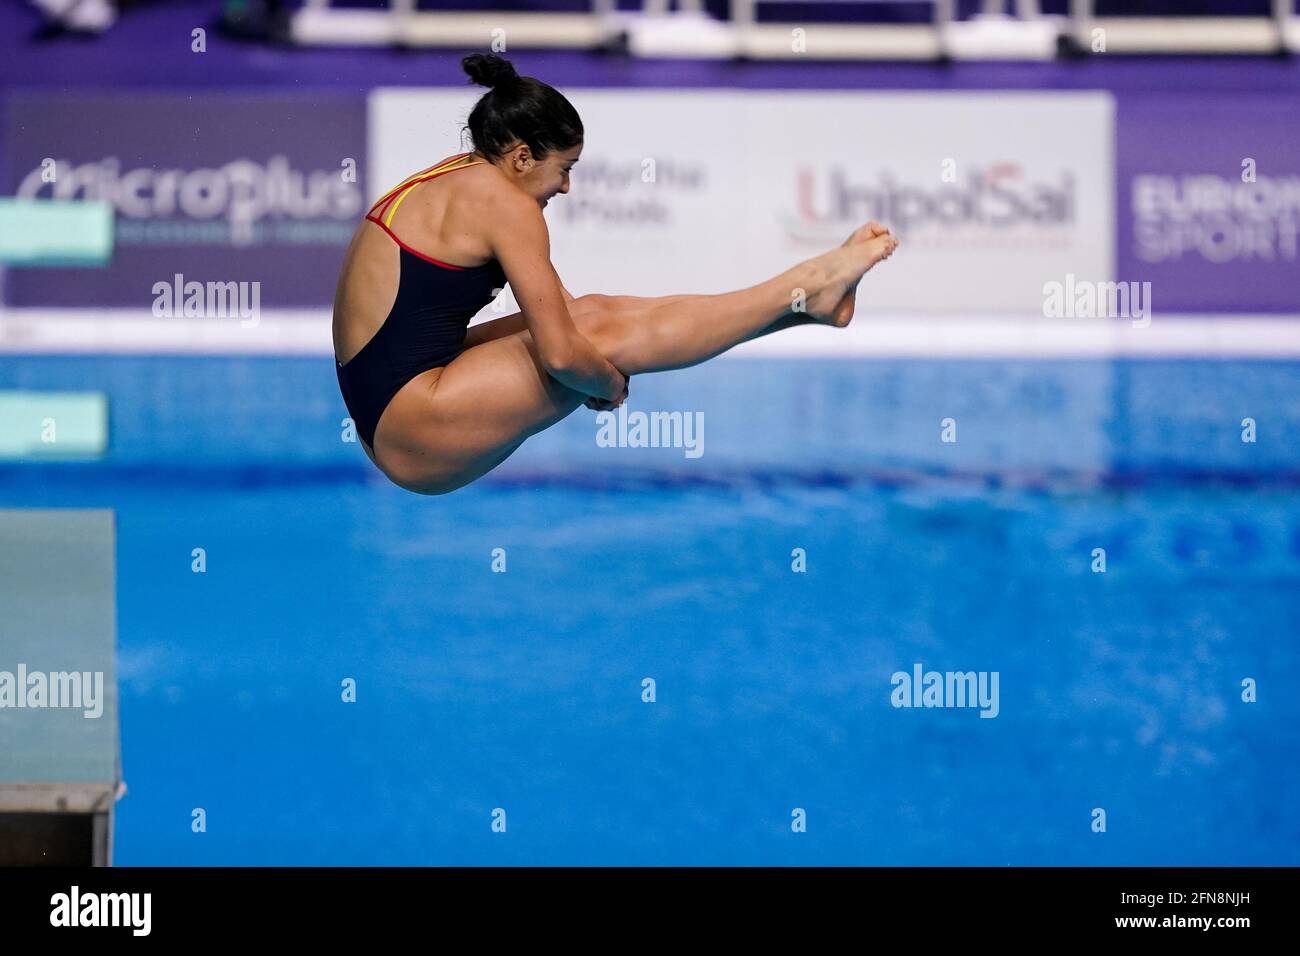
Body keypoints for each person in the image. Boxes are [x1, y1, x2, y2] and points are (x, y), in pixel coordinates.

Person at [333, 52, 899, 495]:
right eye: (565, 169)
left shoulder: (463, 175)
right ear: (524, 157)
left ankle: (807, 302)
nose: (567, 187)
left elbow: (567, 316)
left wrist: (593, 369)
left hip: (394, 419)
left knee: (596, 316)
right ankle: (806, 285)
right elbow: (560, 355)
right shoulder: (505, 203)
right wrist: (606, 382)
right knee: (598, 339)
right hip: (414, 432)